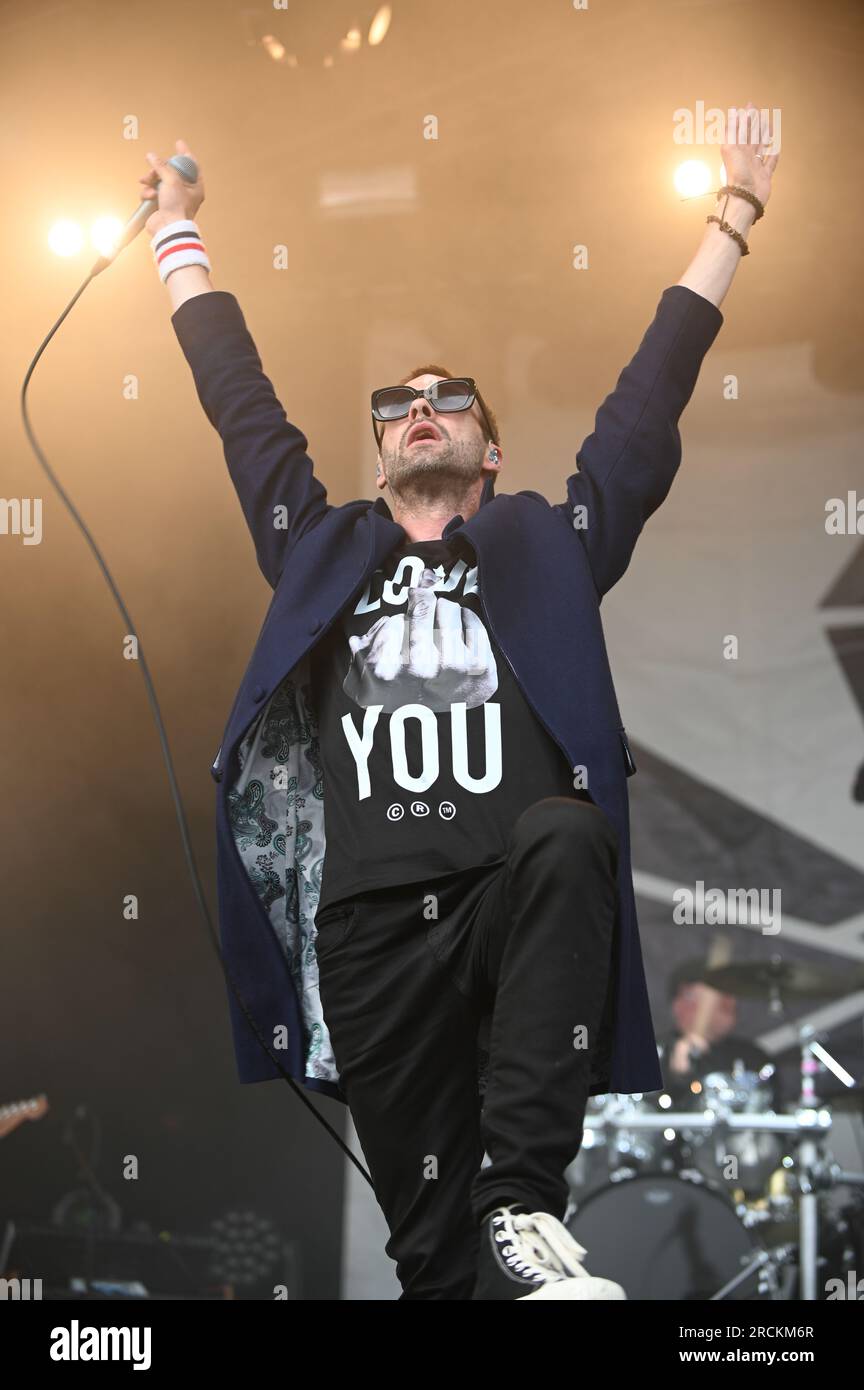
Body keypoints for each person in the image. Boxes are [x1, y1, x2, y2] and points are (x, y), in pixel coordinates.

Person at [140, 112, 779, 1300]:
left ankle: (528, 1201)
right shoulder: (322, 550)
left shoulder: (548, 543)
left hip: (502, 899)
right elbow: (240, 407)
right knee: (434, 1264)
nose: (423, 405)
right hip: (373, 931)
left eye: (452, 396)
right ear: (379, 448)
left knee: (568, 830)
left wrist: (731, 219)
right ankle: (484, 1254)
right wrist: (178, 236)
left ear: (491, 449)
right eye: (400, 400)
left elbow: (644, 415)